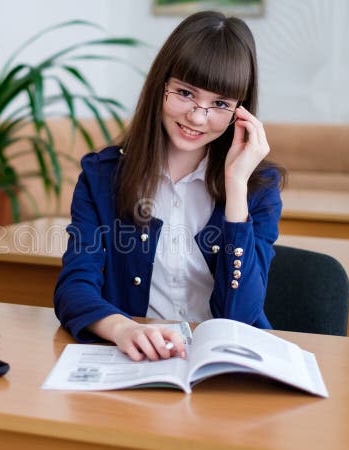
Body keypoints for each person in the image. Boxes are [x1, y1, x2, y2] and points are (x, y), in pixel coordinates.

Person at [53, 11, 286, 362]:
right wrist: (123, 328)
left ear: (241, 112)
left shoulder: (259, 189)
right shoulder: (102, 177)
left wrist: (236, 187)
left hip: (223, 366)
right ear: (161, 85)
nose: (197, 116)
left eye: (220, 103)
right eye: (186, 93)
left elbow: (242, 316)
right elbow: (74, 286)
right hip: (137, 359)